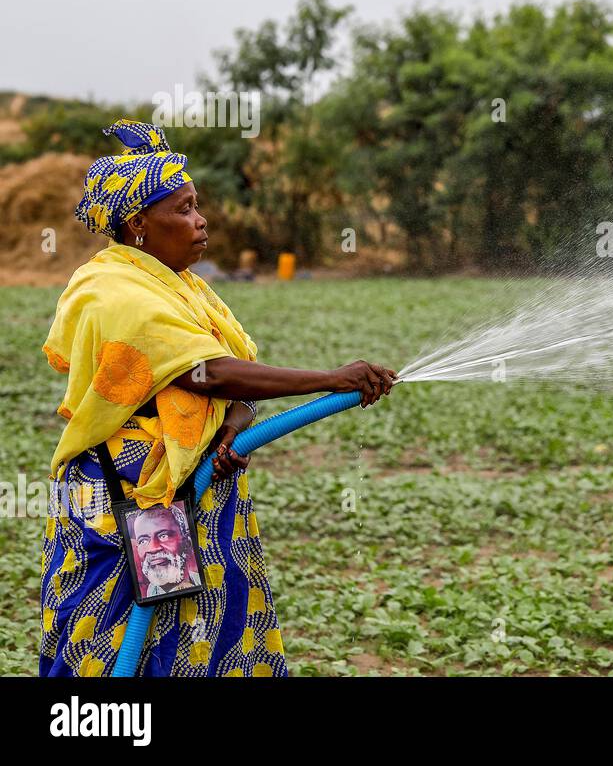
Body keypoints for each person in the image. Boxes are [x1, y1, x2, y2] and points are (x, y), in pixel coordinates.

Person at [39, 119, 398, 677]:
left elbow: (234, 378)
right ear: (138, 224)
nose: (201, 220)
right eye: (182, 209)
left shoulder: (184, 286)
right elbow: (204, 374)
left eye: (196, 205)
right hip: (126, 497)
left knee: (208, 626)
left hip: (198, 489)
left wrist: (235, 425)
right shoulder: (111, 292)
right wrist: (332, 379)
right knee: (115, 641)